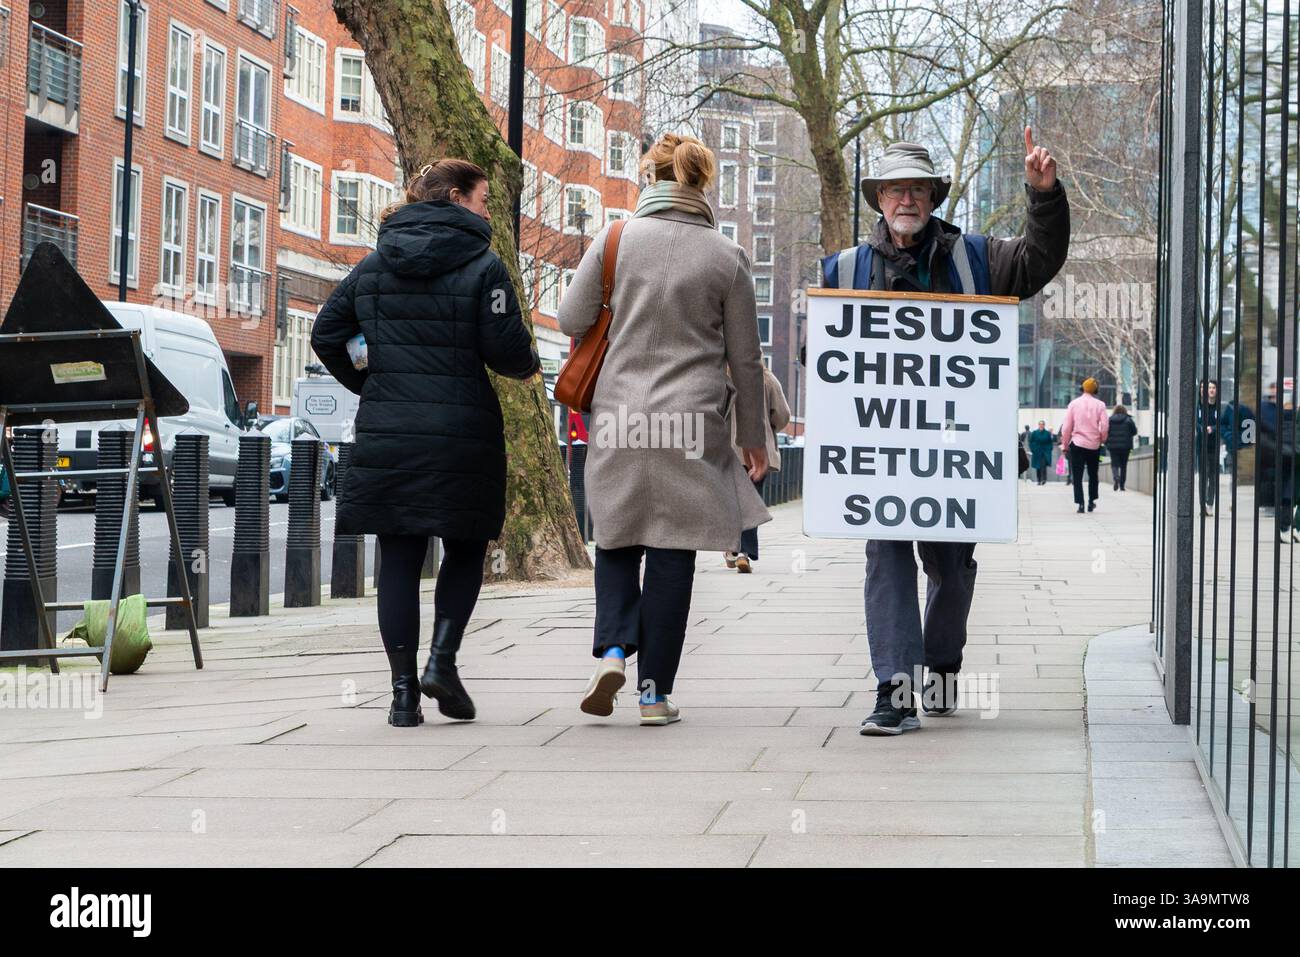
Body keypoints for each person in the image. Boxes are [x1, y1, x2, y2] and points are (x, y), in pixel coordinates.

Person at [819, 131, 1069, 735]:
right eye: (894, 188)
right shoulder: (844, 270)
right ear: (879, 198)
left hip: (957, 454)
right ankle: (895, 693)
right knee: (887, 558)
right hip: (881, 453)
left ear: (933, 196)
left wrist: (1044, 196)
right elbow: (824, 359)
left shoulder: (978, 257)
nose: (906, 197)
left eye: (917, 188)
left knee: (951, 567)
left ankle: (942, 661)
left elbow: (1040, 260)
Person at [312, 158, 540, 728]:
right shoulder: (484, 266)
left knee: (400, 558)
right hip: (462, 434)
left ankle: (403, 695)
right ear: (459, 198)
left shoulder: (373, 265)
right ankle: (442, 660)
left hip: (390, 433)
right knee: (464, 549)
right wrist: (528, 358)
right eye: (486, 199)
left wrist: (371, 382)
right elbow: (508, 355)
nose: (490, 210)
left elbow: (325, 334)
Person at [559, 133, 770, 727]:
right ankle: (654, 695)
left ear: (650, 178)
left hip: (620, 416)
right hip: (692, 421)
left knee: (618, 539)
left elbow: (572, 317)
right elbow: (746, 359)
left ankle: (614, 651)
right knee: (674, 553)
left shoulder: (615, 239)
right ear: (703, 184)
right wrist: (752, 436)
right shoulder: (726, 257)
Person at [725, 366, 791, 572]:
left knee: (731, 502)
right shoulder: (767, 379)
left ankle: (731, 549)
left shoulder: (723, 379)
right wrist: (769, 429)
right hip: (758, 453)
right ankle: (743, 552)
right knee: (751, 502)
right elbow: (783, 414)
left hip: (729, 451)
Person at [1060, 378, 1109, 513]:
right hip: (1094, 444)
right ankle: (1091, 501)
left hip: (1077, 443)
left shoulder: (1074, 404)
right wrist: (1102, 439)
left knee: (1077, 475)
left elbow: (1066, 427)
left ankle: (1080, 503)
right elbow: (1104, 426)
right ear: (1095, 390)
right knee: (1093, 474)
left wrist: (1064, 444)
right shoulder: (1100, 405)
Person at [1257, 382, 1298, 543]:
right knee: (1281, 493)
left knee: (1285, 494)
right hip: (1275, 458)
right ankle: (1284, 527)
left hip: (1285, 458)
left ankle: (1285, 527)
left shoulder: (1285, 412)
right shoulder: (1266, 409)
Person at [1197, 380, 1220, 515]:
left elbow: (1222, 424)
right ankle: (1202, 505)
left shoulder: (1219, 407)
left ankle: (1210, 503)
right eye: (1209, 388)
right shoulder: (1200, 406)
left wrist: (1213, 428)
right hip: (1202, 447)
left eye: (1213, 388)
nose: (1211, 390)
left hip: (1214, 447)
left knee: (1213, 477)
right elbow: (1196, 422)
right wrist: (1202, 428)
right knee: (1203, 477)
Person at [1106, 404, 1139, 491]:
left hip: (1113, 446)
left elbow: (1106, 432)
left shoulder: (1110, 420)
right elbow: (1134, 431)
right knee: (1124, 466)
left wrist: (1107, 442)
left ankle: (1116, 477)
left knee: (1114, 464)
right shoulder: (1128, 420)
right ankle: (1122, 485)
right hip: (1125, 446)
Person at [1028, 420, 1055, 485]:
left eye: (1042, 424)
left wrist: (1049, 449)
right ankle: (1039, 480)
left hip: (1044, 452)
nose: (1041, 425)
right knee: (1038, 467)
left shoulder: (1047, 433)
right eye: (1040, 424)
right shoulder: (1034, 433)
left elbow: (1050, 442)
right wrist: (1033, 449)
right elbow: (1031, 442)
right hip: (1037, 452)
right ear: (1038, 425)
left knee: (1043, 466)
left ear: (1044, 425)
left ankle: (1044, 479)